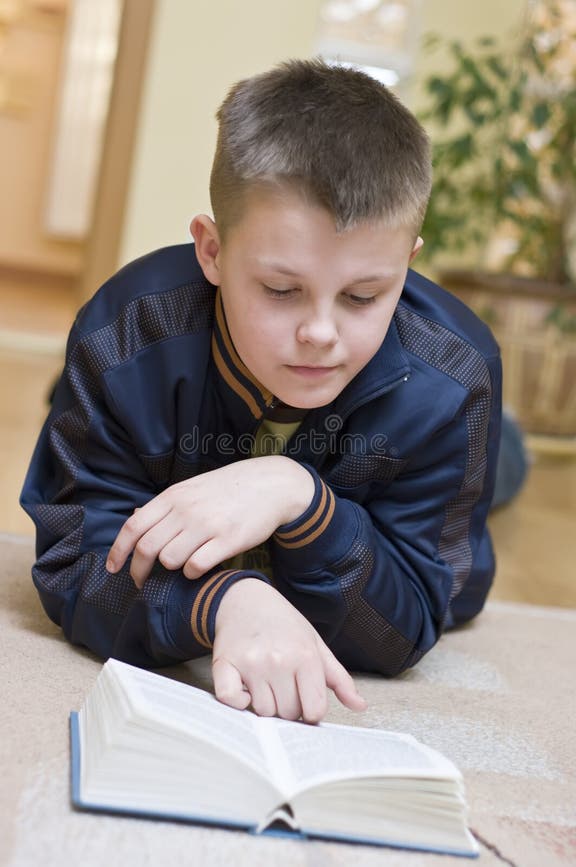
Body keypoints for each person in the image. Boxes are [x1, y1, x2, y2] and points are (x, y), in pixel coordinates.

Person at [20, 59, 502, 724]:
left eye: (365, 296)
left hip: (417, 466)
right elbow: (75, 564)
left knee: (495, 486)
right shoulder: (121, 336)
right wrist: (223, 600)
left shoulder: (456, 378)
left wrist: (296, 496)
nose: (320, 332)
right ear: (212, 251)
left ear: (408, 264)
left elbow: (408, 621)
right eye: (281, 290)